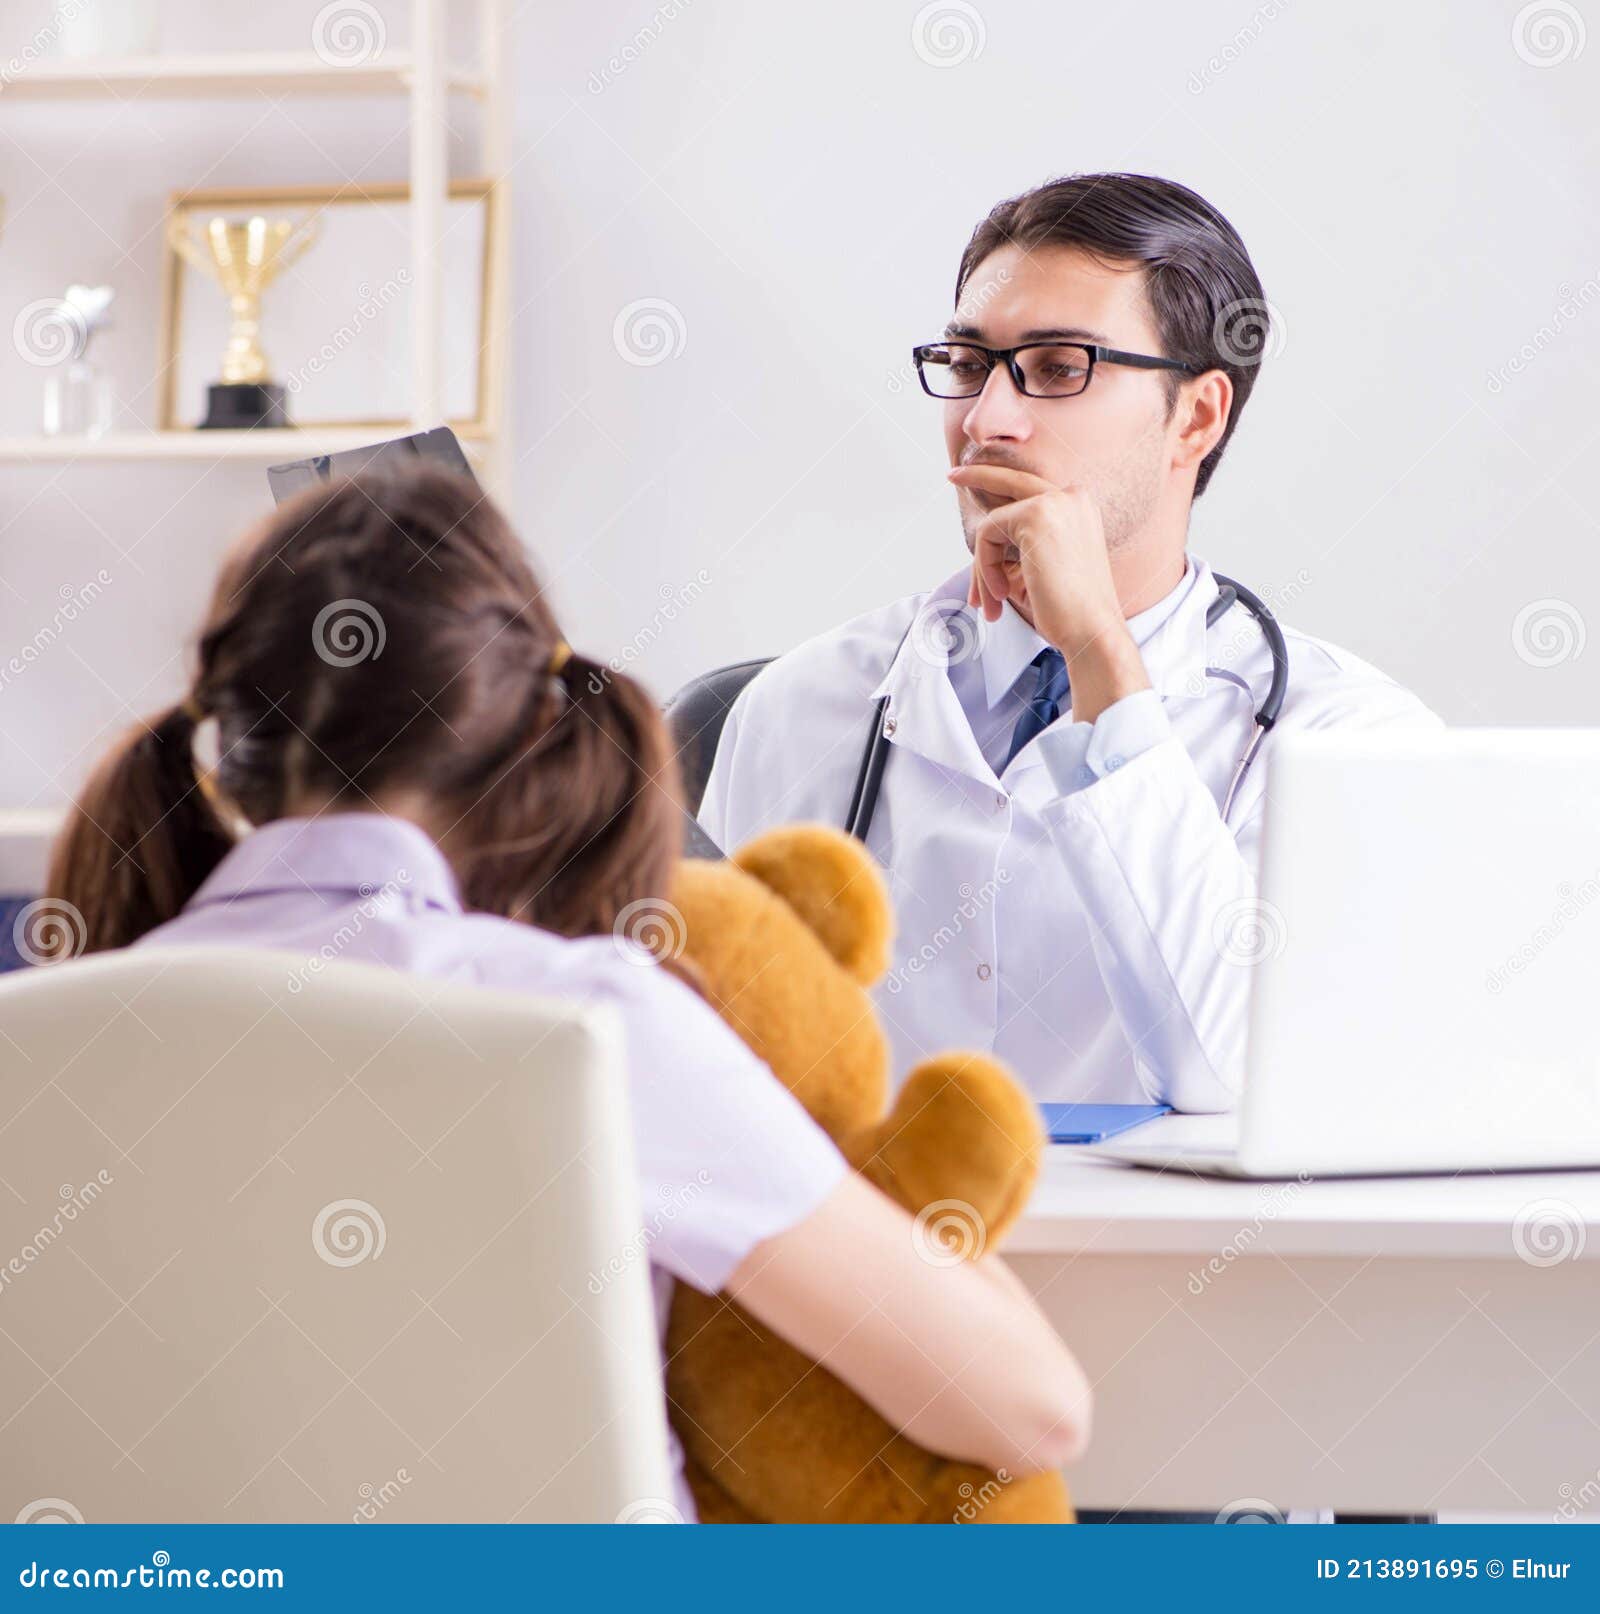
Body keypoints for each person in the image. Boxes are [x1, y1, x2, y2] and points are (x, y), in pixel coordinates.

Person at [44, 464, 1091, 1523]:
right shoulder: (588, 1024)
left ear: (222, 749)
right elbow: (1028, 1410)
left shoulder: (45, 1048)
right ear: (524, 742)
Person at [697, 172, 1442, 1112]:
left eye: (1058, 368)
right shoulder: (802, 707)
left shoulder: (1346, 738)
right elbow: (705, 1091)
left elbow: (1227, 1075)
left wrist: (1100, 656)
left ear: (1198, 417)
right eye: (970, 366)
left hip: (1177, 1265)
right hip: (867, 1257)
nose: (984, 421)